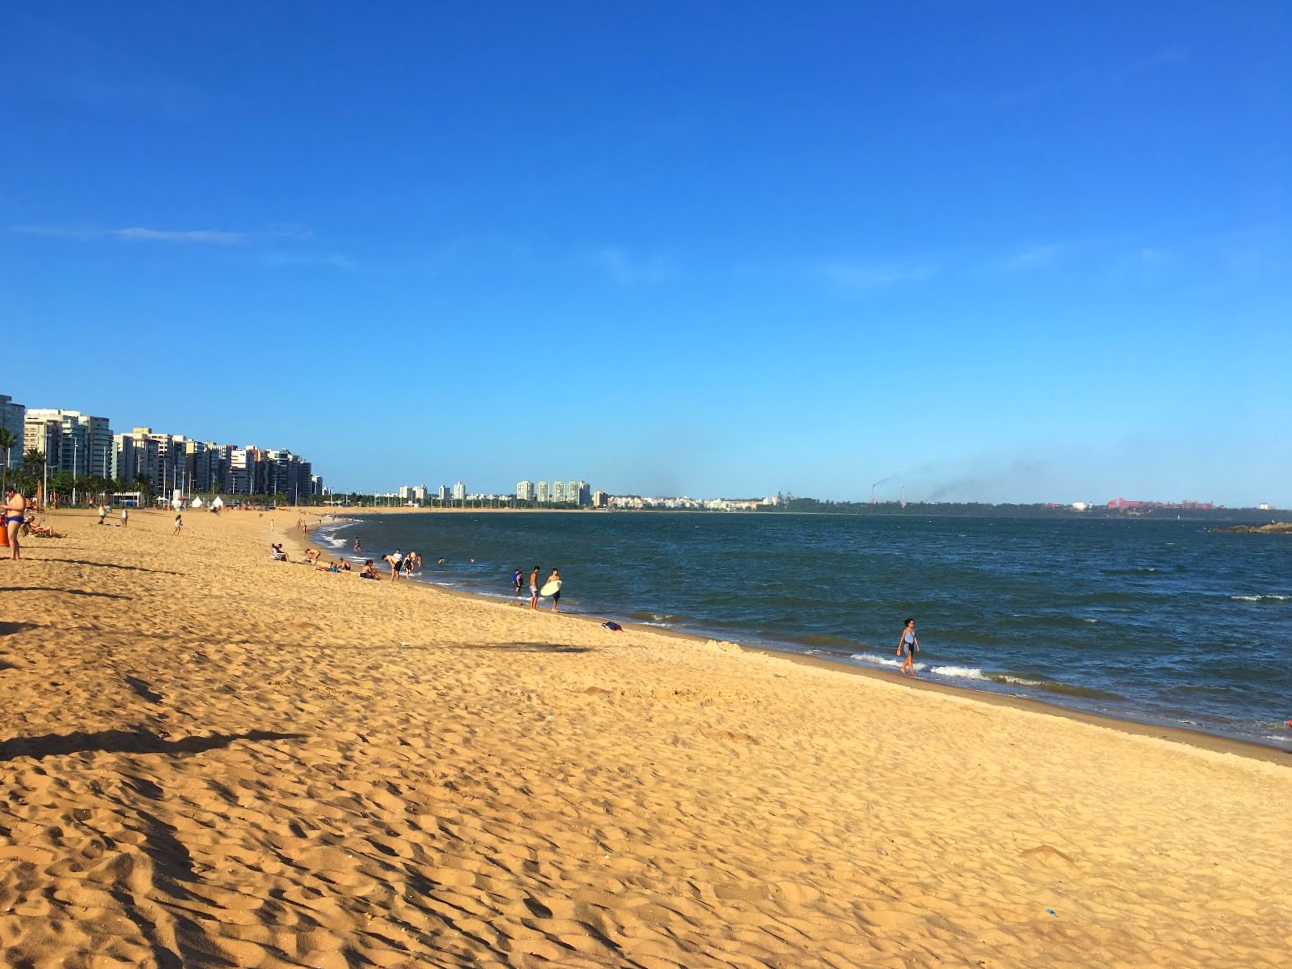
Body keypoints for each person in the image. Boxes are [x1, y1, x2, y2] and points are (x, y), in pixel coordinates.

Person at [4, 488, 26, 560]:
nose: (8, 496)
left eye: (8, 494)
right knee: (13, 538)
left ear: (12, 491)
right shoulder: (12, 498)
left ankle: (12, 556)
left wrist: (7, 507)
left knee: (11, 537)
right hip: (10, 518)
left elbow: (21, 507)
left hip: (16, 517)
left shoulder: (18, 496)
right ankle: (17, 556)